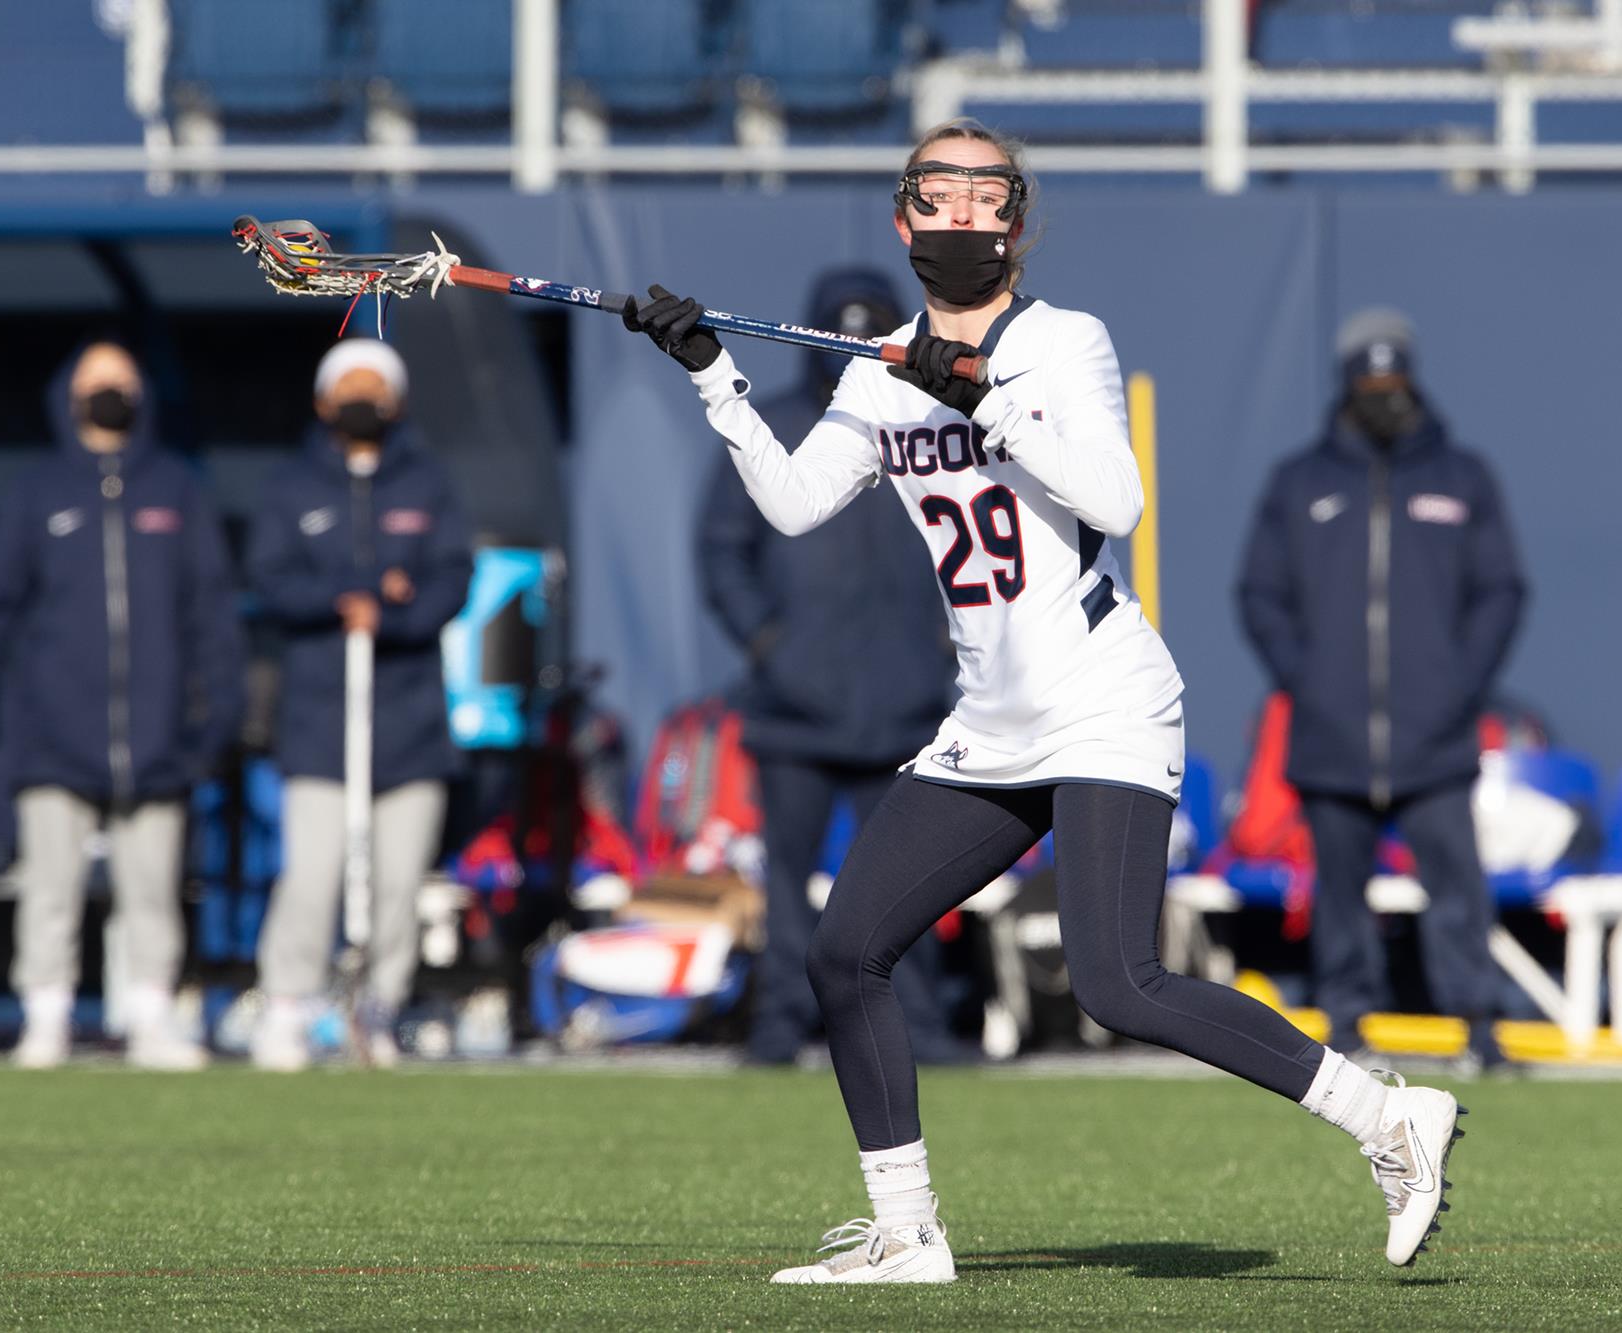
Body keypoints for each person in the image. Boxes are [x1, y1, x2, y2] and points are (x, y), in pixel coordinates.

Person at [625, 118, 1465, 1285]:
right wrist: (713, 379)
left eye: (986, 195)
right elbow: (794, 504)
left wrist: (981, 397)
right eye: (938, 193)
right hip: (989, 720)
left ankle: (1386, 1116)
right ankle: (906, 1234)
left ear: (1014, 223)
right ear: (904, 218)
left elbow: (1116, 501)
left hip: (1101, 695)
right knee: (845, 951)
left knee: (1117, 982)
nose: (961, 214)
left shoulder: (1064, 341)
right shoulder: (877, 373)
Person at [1238, 309, 1526, 1076]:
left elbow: (1500, 590)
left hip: (1435, 736)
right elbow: (1260, 594)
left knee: (1457, 889)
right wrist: (1306, 680)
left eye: (1394, 377)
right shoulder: (1301, 481)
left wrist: (1461, 682)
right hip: (1331, 735)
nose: (1383, 394)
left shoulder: (1461, 477)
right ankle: (1345, 1027)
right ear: (1345, 383)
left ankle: (1478, 1026)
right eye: (1369, 382)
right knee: (1338, 894)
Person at [694, 267, 965, 1067]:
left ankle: (920, 1028)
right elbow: (722, 552)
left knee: (909, 882)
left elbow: (977, 539)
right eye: (836, 333)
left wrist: (946, 640)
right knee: (786, 882)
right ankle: (779, 1026)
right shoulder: (771, 428)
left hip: (906, 705)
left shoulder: (932, 429)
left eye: (868, 333)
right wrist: (769, 643)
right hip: (794, 708)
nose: (849, 349)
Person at [0, 337, 242, 1070]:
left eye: (121, 378)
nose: (109, 390)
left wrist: (219, 709)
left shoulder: (175, 488)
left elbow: (211, 611)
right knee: (50, 888)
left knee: (152, 889)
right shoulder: (38, 491)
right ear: (68, 395)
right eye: (94, 379)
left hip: (157, 733)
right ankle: (45, 1016)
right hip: (53, 733)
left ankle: (151, 1016)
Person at [247, 339, 472, 1071]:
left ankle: (377, 1006)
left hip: (409, 722)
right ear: (323, 402)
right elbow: (271, 579)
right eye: (350, 389)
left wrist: (394, 615)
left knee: (399, 882)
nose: (363, 402)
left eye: (377, 390)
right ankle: (288, 1006)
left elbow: (451, 578)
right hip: (320, 720)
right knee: (311, 876)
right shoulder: (291, 487)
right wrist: (350, 598)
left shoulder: (427, 484)